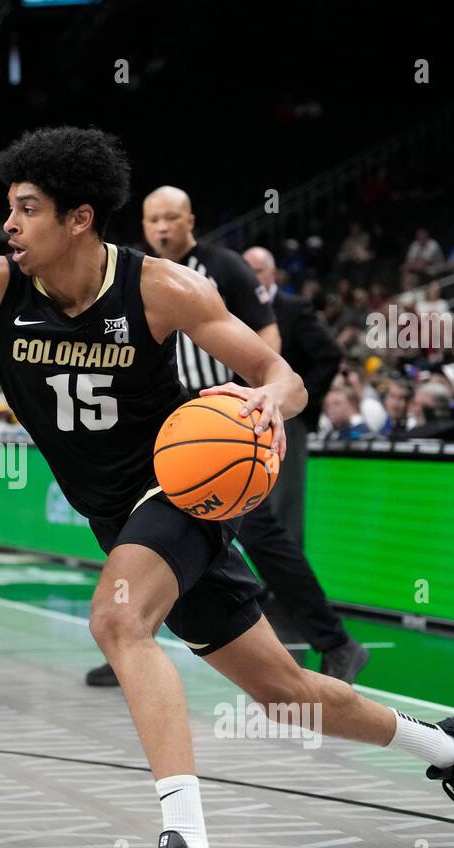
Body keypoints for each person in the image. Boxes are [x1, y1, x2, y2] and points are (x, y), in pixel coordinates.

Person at [0, 127, 454, 848]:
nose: (10, 225)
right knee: (286, 694)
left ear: (79, 218)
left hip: (182, 491)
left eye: (27, 209)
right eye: (9, 209)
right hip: (116, 518)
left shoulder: (162, 288)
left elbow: (282, 374)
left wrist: (268, 401)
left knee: (116, 619)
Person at [82, 184, 366, 688]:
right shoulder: (139, 275)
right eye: (153, 219)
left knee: (259, 532)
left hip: (225, 423)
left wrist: (248, 402)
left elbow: (269, 340)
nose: (162, 227)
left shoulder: (225, 267)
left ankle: (336, 642)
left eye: (171, 217)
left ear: (190, 220)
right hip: (169, 423)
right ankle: (129, 635)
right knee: (142, 528)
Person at [243, 245, 340, 548]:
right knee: (245, 506)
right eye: (245, 272)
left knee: (283, 507)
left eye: (257, 271)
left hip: (286, 420)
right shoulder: (236, 312)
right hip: (245, 418)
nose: (250, 278)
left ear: (273, 274)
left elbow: (330, 355)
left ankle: (289, 578)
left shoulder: (294, 309)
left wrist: (300, 400)